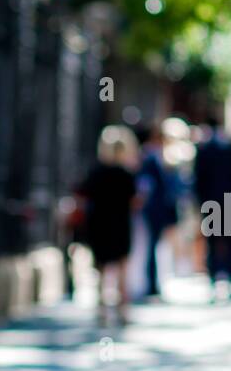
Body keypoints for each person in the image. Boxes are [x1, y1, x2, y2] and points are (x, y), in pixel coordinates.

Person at [74, 125, 142, 325]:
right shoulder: (126, 174)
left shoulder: (96, 172)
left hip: (100, 223)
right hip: (120, 223)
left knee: (102, 267)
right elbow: (135, 201)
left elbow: (83, 194)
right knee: (122, 267)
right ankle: (123, 310)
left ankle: (102, 309)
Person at [193, 114, 231, 301]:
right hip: (229, 201)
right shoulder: (227, 148)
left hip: (212, 201)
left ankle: (216, 279)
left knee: (216, 241)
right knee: (229, 239)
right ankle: (226, 277)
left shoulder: (206, 149)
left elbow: (199, 178)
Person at [133, 121, 174, 299]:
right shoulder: (149, 157)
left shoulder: (155, 156)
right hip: (152, 209)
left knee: (154, 246)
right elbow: (146, 185)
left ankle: (153, 282)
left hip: (156, 209)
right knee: (150, 246)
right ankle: (150, 283)